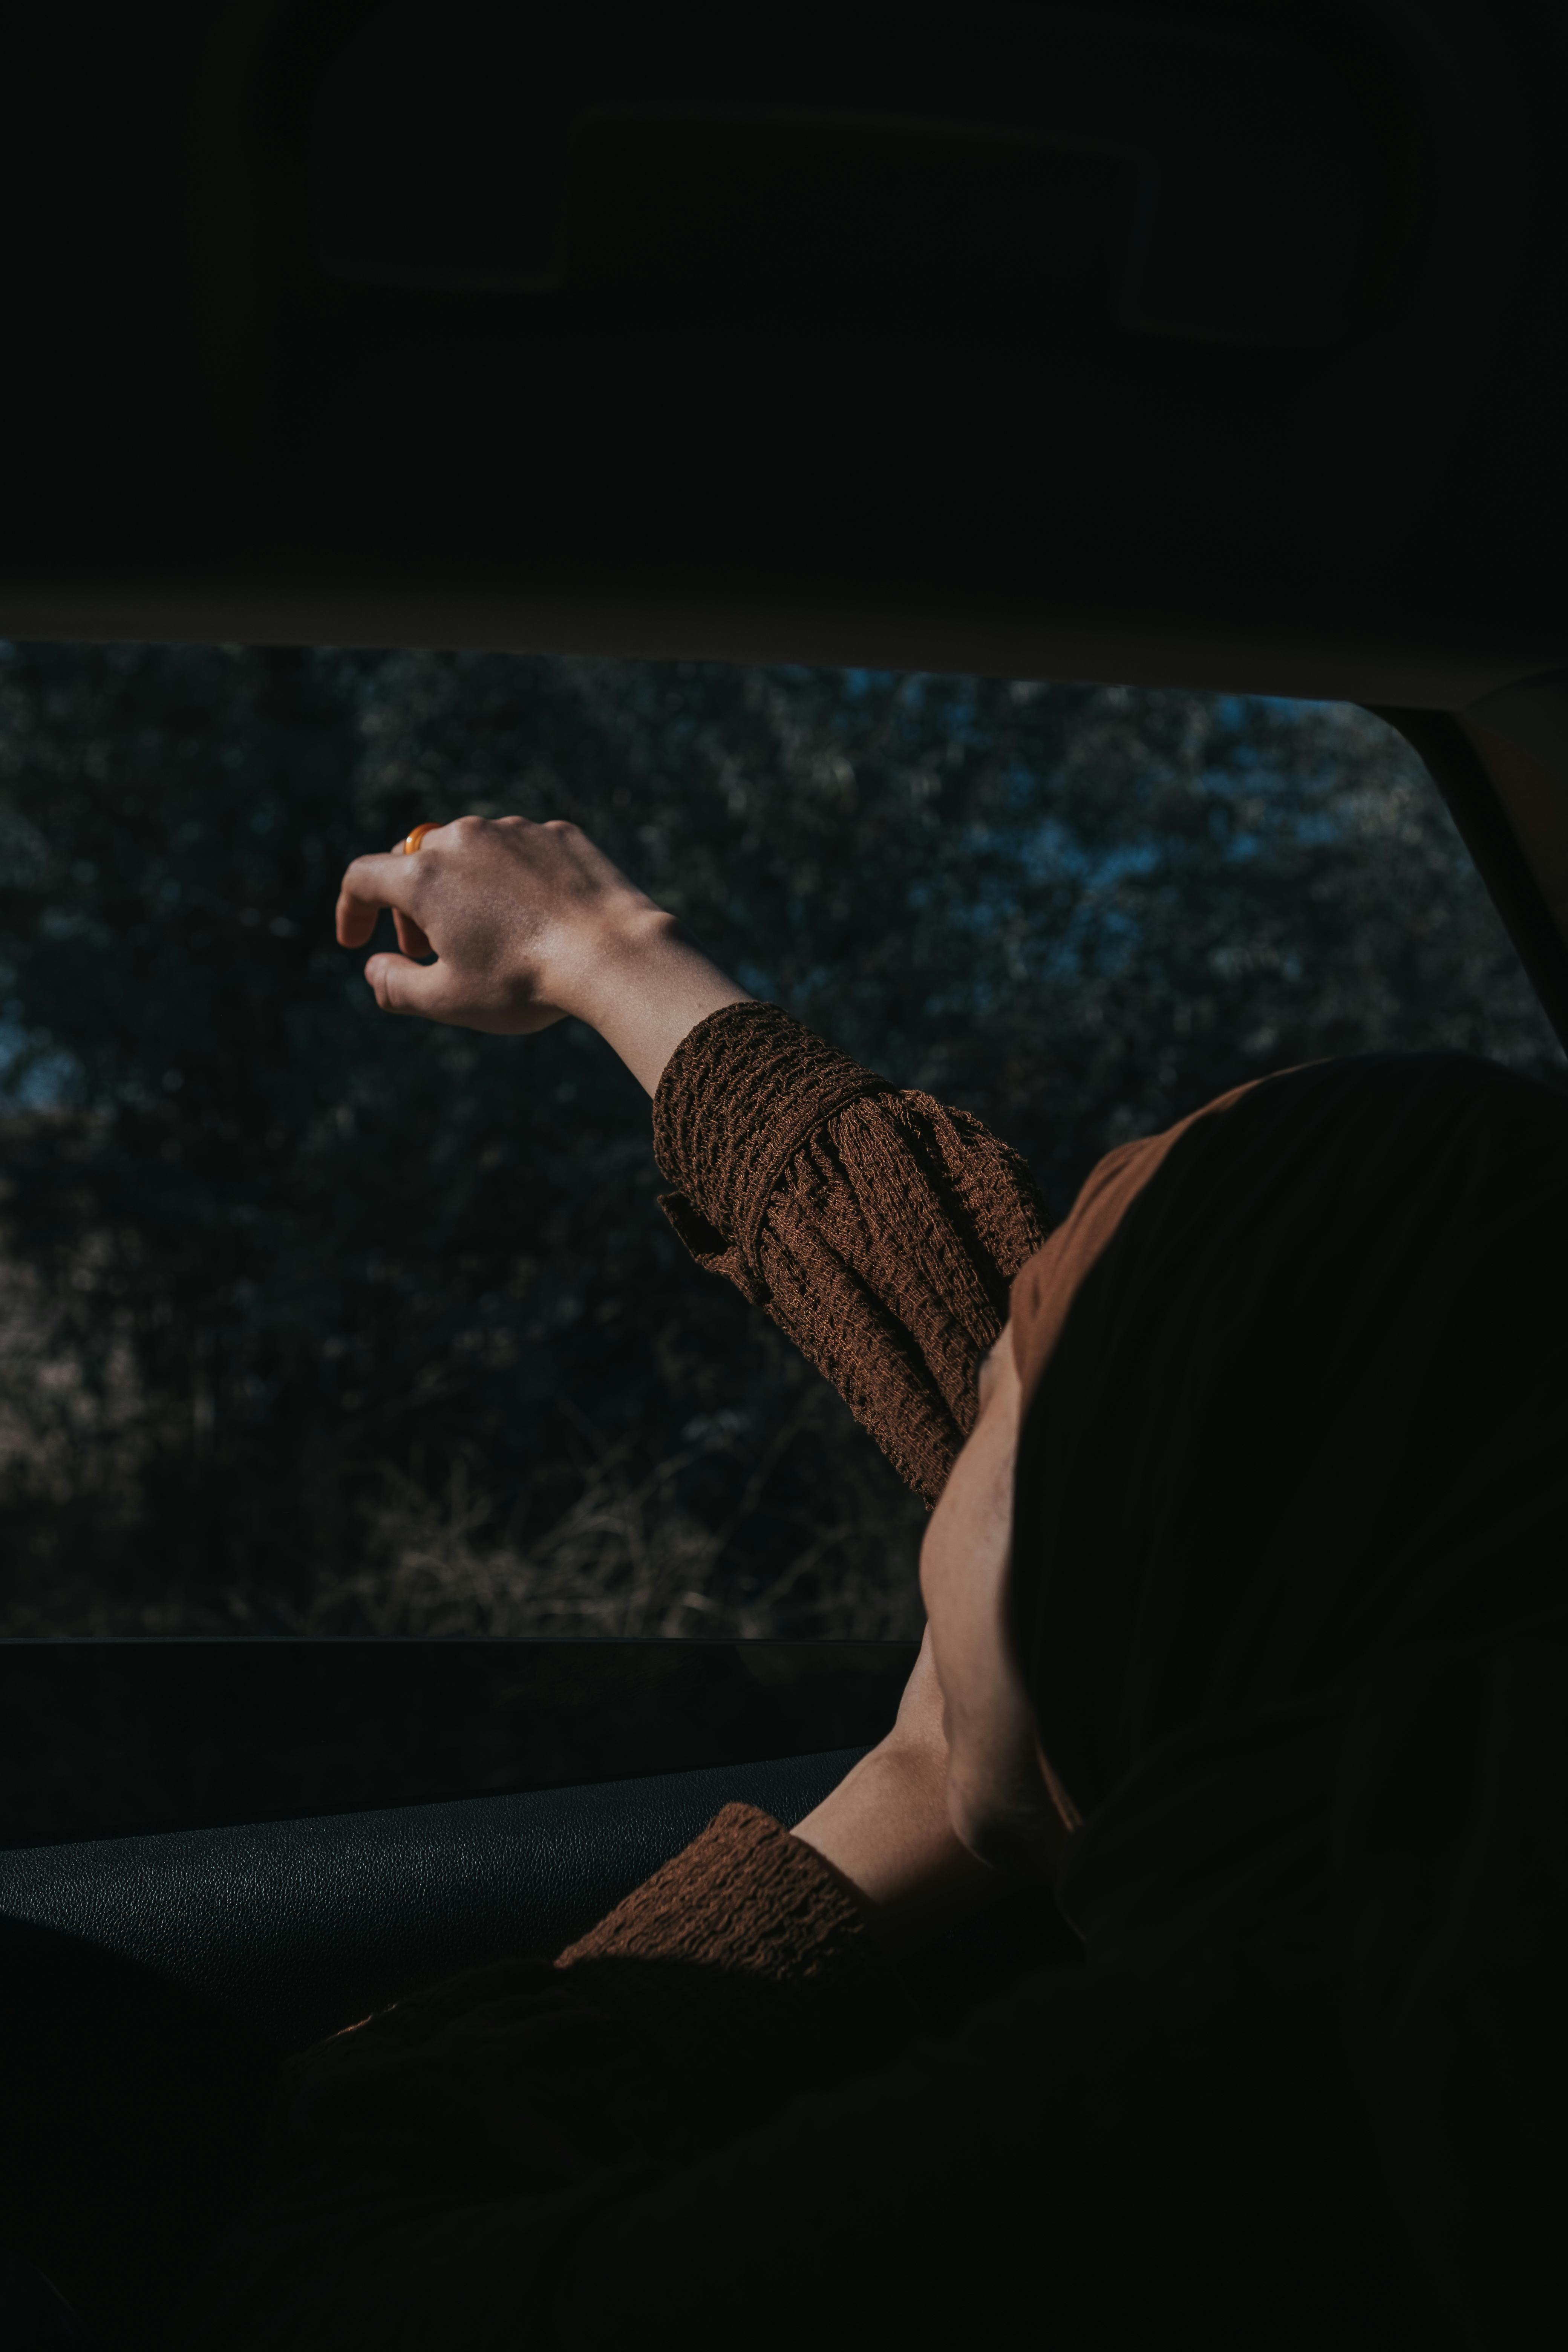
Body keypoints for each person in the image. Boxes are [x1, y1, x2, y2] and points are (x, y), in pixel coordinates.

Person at [159, 814, 1564, 2349]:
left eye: (1005, 1408)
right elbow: (1196, 1431)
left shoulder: (1180, 2118)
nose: (955, 1448)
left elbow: (285, 2263)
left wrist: (916, 1796)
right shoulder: (1451, 1859)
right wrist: (605, 957)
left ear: (1097, 1548)